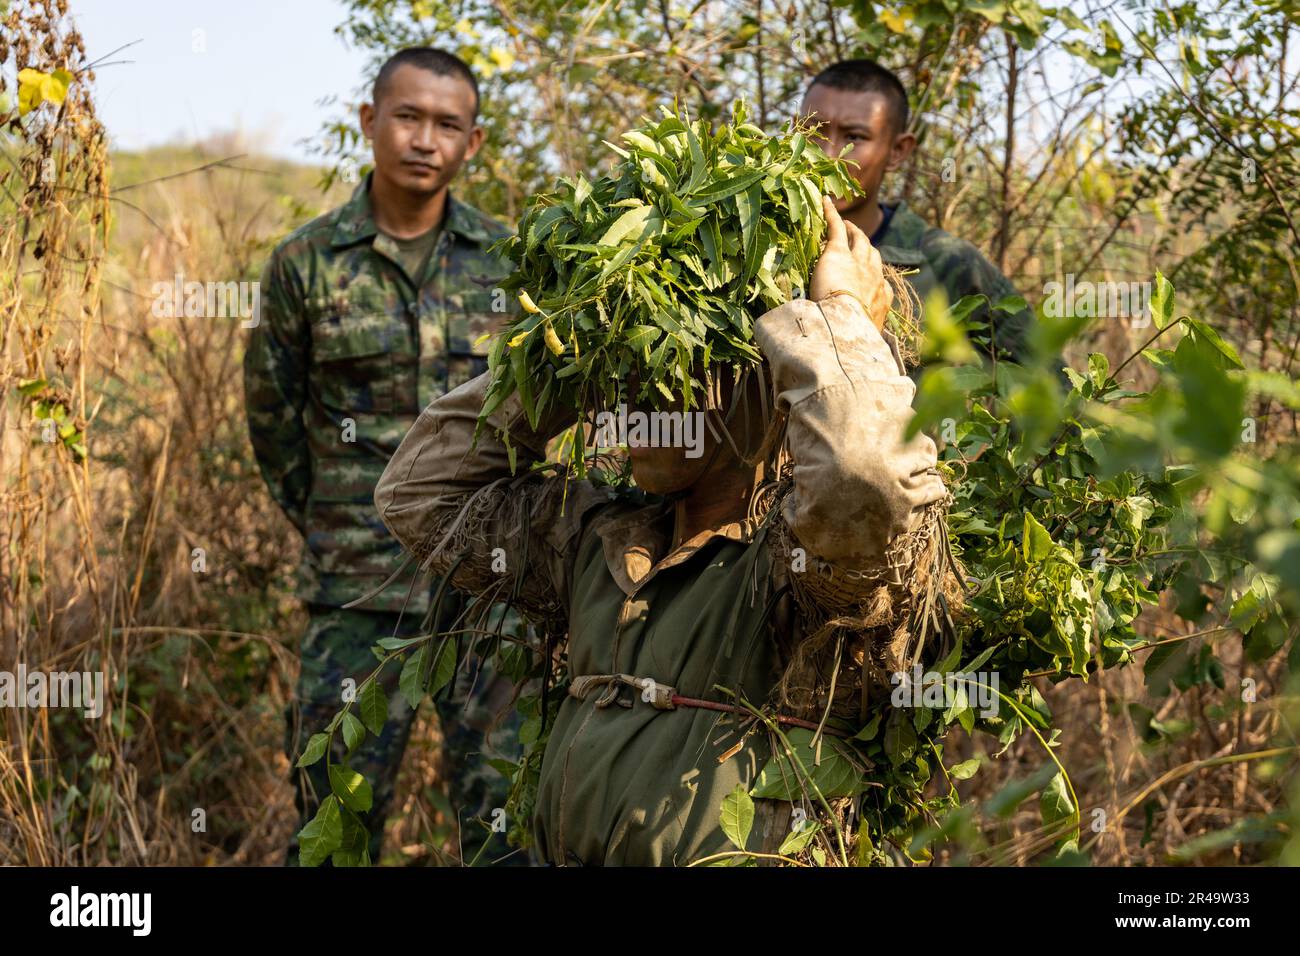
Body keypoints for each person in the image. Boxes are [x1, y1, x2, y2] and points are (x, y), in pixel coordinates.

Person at [372, 198, 959, 865]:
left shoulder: (814, 564)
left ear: (770, 373)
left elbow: (863, 475)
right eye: (626, 368)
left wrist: (840, 322)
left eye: (670, 366)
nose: (633, 397)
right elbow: (417, 495)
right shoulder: (597, 538)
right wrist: (564, 354)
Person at [244, 47, 522, 866]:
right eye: (407, 117)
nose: (424, 139)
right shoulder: (306, 264)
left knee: (508, 819)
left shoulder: (511, 263)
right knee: (337, 820)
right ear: (369, 122)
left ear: (473, 142)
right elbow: (274, 420)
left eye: (447, 124)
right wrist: (340, 522)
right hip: (358, 594)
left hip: (489, 590)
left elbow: (542, 414)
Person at [801, 59, 1035, 364]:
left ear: (897, 151)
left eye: (854, 137)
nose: (827, 156)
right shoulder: (758, 244)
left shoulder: (947, 262)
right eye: (813, 131)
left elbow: (1046, 385)